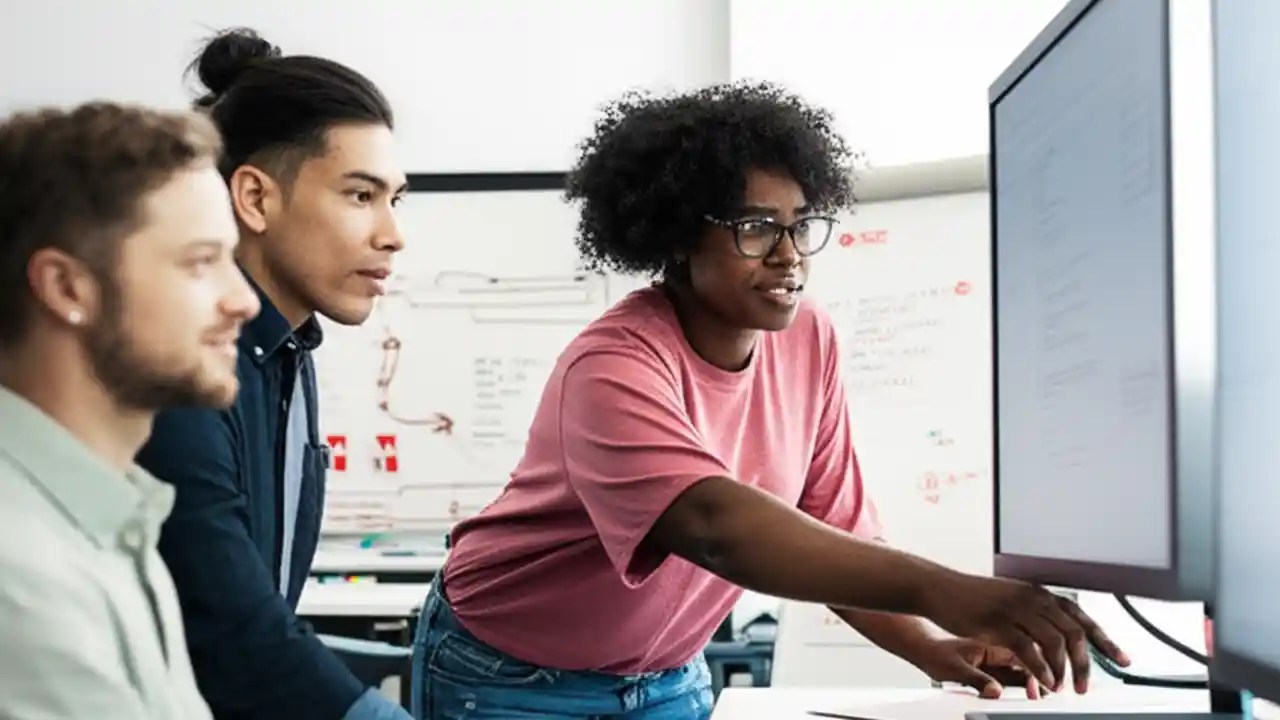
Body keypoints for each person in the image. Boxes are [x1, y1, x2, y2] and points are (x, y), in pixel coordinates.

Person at [414, 82, 1133, 719]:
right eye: (755, 228)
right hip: (509, 676)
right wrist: (947, 591)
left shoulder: (807, 338)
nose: (789, 253)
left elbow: (831, 525)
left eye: (800, 224)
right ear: (675, 238)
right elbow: (713, 524)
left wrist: (931, 646)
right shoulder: (612, 366)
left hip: (664, 679)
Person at [134, 28, 410, 720]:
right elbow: (227, 628)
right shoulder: (186, 369)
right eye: (359, 195)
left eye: (394, 200)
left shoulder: (288, 353)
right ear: (254, 199)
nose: (392, 233)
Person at [0, 101, 259, 717]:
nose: (243, 300)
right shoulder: (23, 576)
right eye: (201, 263)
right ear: (68, 288)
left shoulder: (111, 519)